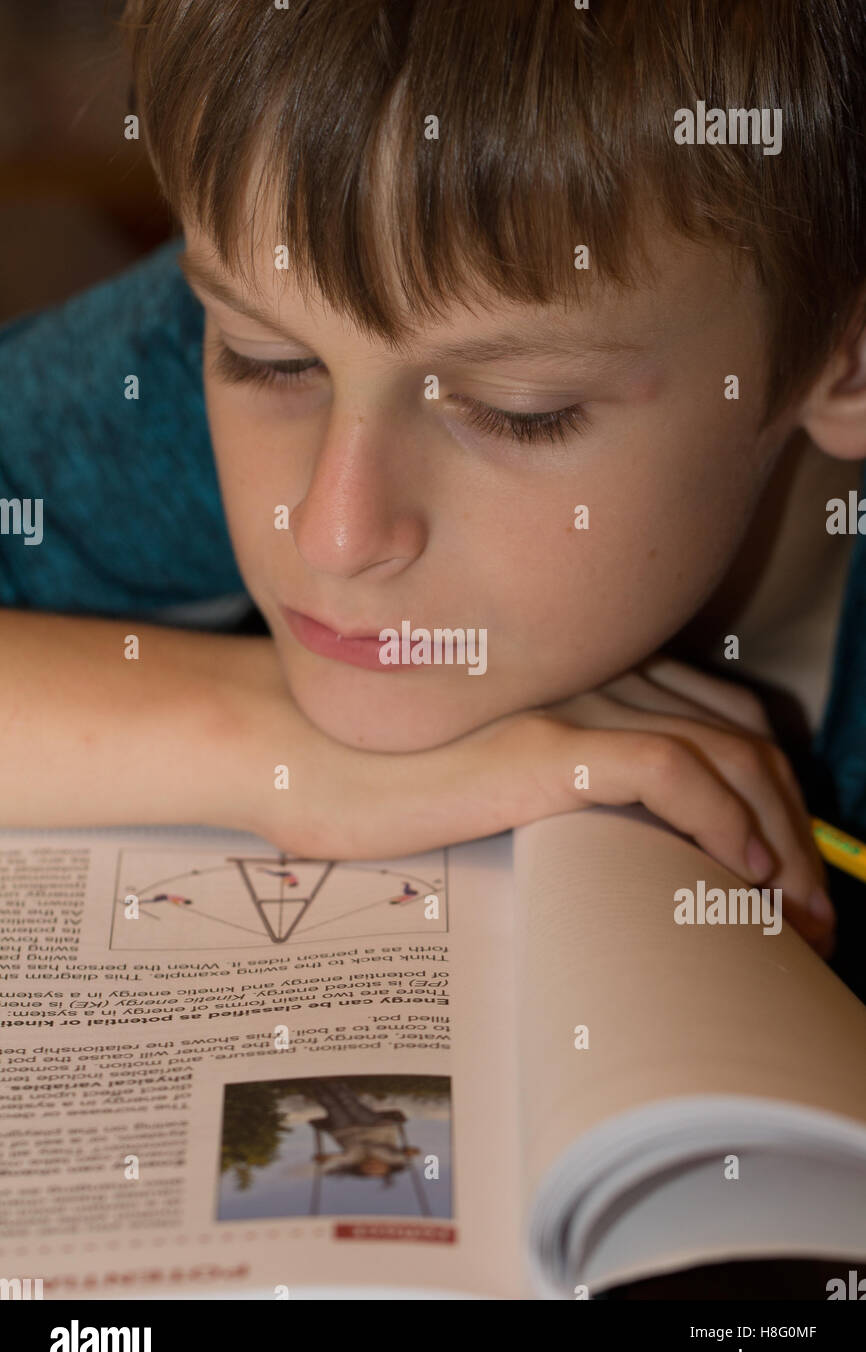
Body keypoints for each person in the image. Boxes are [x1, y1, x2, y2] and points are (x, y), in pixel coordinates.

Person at [2, 1, 865, 986]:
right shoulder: (312, 273)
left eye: (515, 411)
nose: (331, 532)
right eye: (264, 360)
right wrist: (267, 745)